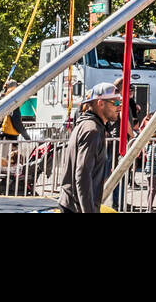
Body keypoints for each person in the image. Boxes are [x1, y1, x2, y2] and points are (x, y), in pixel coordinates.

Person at [56, 82, 119, 213]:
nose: (119, 107)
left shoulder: (88, 125)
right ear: (100, 103)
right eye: (116, 103)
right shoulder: (92, 130)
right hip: (77, 207)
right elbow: (82, 175)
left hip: (73, 205)